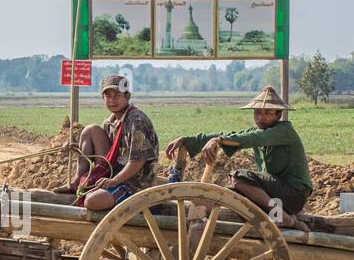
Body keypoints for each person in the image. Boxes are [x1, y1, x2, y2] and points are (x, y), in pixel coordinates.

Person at [164, 86, 314, 230]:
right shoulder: (258, 130)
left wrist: (219, 141)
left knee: (240, 177)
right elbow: (232, 135)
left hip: (293, 194)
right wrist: (187, 140)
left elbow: (252, 138)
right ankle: (291, 220)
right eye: (257, 113)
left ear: (278, 114)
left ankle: (282, 217)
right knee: (231, 193)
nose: (260, 117)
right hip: (276, 196)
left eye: (267, 113)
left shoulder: (283, 131)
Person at [55, 74, 160, 211]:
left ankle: (104, 191)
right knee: (90, 130)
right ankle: (76, 181)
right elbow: (110, 151)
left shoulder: (136, 121)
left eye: (117, 95)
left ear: (127, 97)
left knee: (92, 201)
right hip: (115, 171)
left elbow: (137, 161)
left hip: (135, 182)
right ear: (103, 98)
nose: (112, 100)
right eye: (108, 96)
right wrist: (76, 148)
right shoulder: (110, 122)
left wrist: (114, 181)